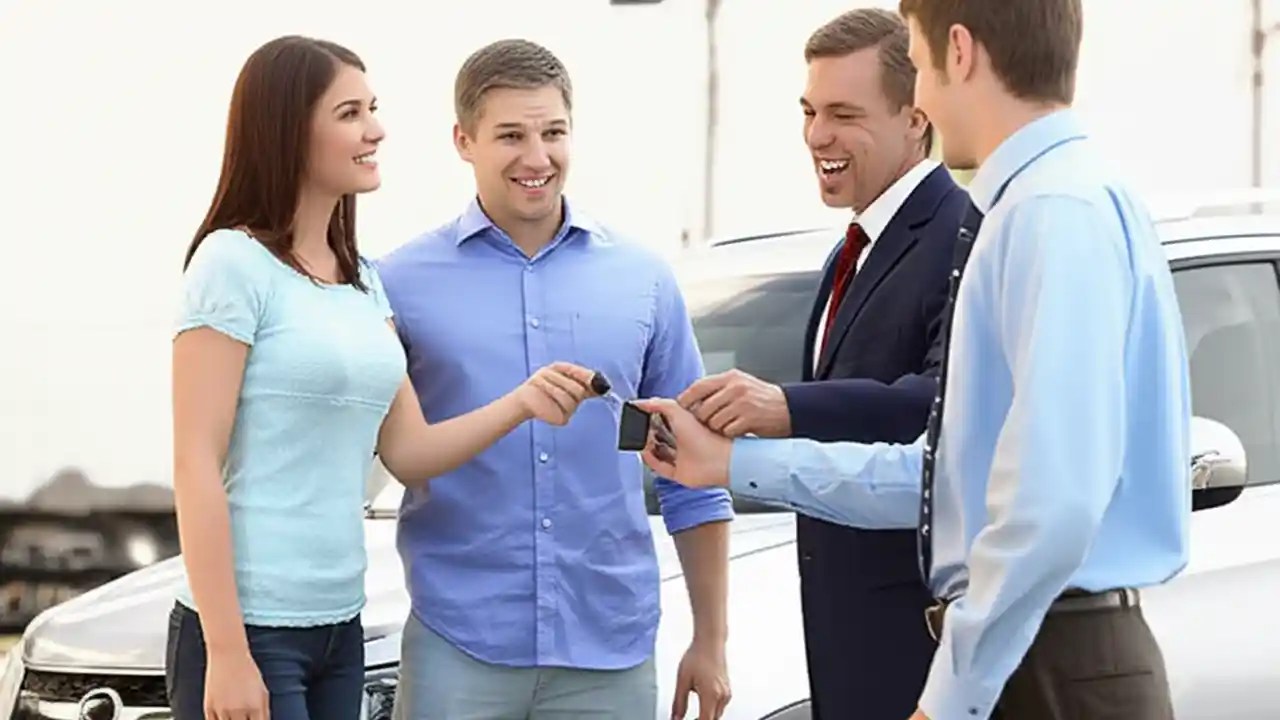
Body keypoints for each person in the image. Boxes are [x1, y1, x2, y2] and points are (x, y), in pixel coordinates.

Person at [635, 0, 1192, 717]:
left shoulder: (1052, 214)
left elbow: (1048, 504)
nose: (922, 94)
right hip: (1045, 657)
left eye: (923, 67)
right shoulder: (1057, 203)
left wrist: (950, 696)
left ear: (958, 53)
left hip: (1045, 664)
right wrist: (729, 465)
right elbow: (945, 482)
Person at [167, 35, 598, 720]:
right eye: (349, 114)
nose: (376, 129)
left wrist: (521, 403)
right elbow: (194, 462)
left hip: (339, 627)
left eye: (372, 108)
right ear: (288, 129)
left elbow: (408, 451)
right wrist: (225, 649)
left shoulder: (362, 280)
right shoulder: (231, 265)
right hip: (249, 628)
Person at [375, 38, 734, 720]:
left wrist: (710, 640)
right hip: (459, 646)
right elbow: (380, 448)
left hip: (612, 652)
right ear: (463, 140)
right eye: (510, 135)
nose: (537, 157)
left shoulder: (643, 281)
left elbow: (695, 476)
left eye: (553, 133)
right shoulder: (399, 284)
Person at [674, 9, 969, 718]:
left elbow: (942, 405)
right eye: (809, 111)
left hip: (920, 650)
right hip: (839, 651)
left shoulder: (963, 232)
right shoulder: (848, 251)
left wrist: (787, 409)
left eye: (842, 114)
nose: (816, 136)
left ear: (916, 117)